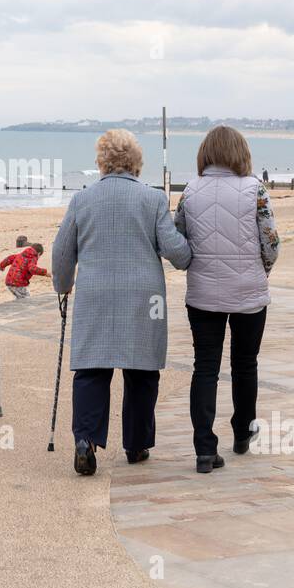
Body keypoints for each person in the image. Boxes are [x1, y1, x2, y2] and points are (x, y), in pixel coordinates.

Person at [52, 129, 192, 476]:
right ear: (136, 162)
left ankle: (85, 440)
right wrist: (188, 252)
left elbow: (60, 252)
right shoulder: (154, 199)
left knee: (91, 370)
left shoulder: (82, 200)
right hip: (145, 297)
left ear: (101, 161)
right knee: (142, 371)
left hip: (95, 294)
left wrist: (64, 284)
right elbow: (176, 252)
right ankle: (137, 443)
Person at [175, 126, 280, 474]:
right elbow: (271, 242)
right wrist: (260, 270)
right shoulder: (256, 190)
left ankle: (205, 448)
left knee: (205, 366)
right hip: (249, 292)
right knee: (245, 363)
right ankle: (243, 432)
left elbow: (180, 239)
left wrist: (198, 266)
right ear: (240, 152)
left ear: (205, 153)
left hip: (203, 295)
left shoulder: (190, 191)